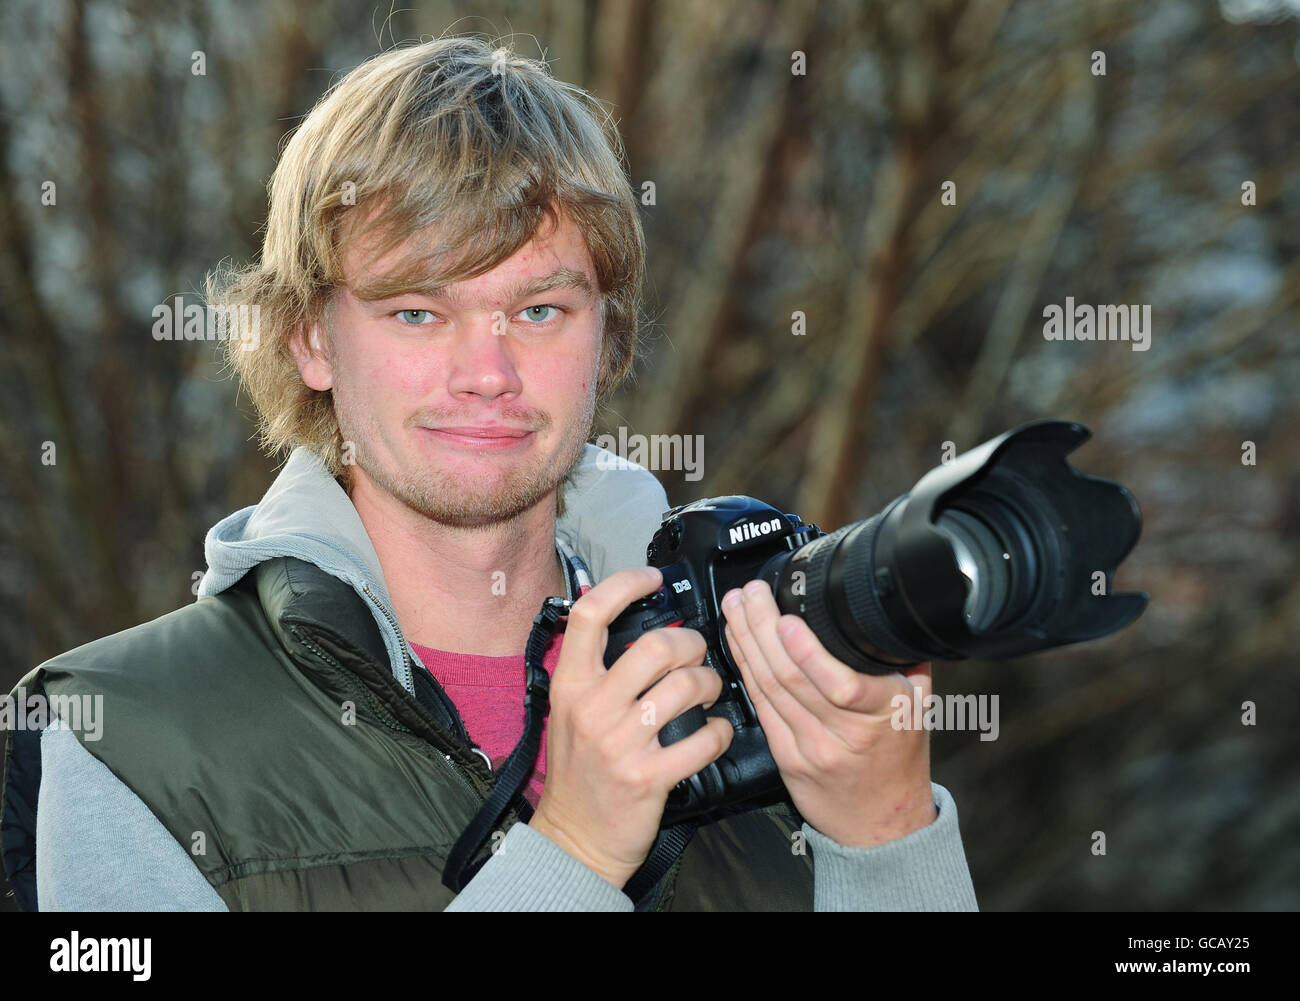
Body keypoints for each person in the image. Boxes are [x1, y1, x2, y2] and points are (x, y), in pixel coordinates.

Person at [0, 35, 978, 911]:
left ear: (609, 335)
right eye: (417, 311)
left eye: (541, 310)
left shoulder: (749, 683)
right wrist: (575, 857)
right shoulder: (125, 735)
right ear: (309, 338)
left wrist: (885, 836)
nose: (488, 372)